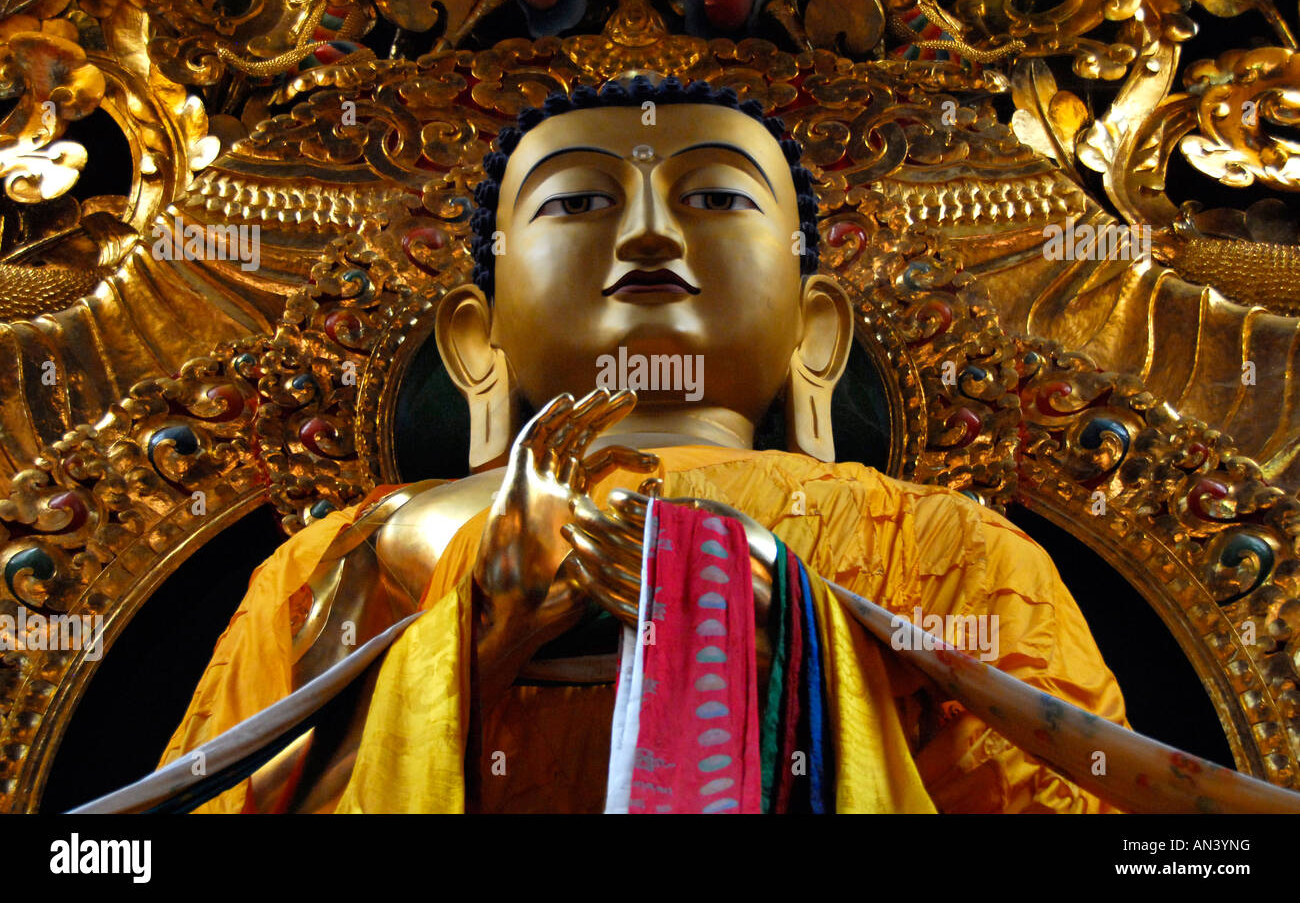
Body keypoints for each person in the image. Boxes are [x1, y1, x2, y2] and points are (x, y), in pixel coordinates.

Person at [160, 76, 1128, 813]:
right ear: (473, 334)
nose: (650, 235)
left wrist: (801, 659)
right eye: (576, 202)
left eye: (716, 198)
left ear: (816, 328)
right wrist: (477, 646)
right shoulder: (358, 549)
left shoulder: (943, 544)